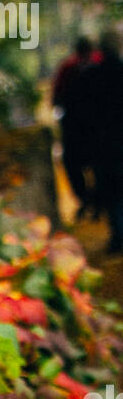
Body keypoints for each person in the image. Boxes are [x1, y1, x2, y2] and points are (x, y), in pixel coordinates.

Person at [82, 31, 123, 254]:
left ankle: (118, 235)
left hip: (102, 143)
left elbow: (84, 115)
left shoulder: (90, 77)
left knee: (111, 190)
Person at [52, 36, 100, 217]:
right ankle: (93, 200)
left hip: (76, 128)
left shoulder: (68, 67)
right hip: (95, 128)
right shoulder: (98, 62)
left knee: (73, 164)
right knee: (95, 166)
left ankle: (87, 198)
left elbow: (56, 98)